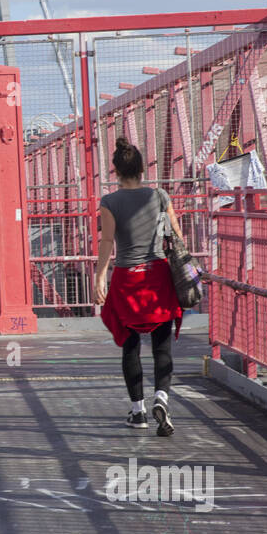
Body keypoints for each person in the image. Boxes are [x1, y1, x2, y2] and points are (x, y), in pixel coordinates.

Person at [94, 137, 183, 436]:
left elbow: (107, 241)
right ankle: (162, 397)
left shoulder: (109, 202)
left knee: (130, 345)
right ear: (142, 169)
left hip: (127, 278)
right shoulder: (159, 196)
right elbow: (176, 235)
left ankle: (138, 411)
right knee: (162, 344)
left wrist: (99, 276)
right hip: (158, 276)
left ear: (115, 171)